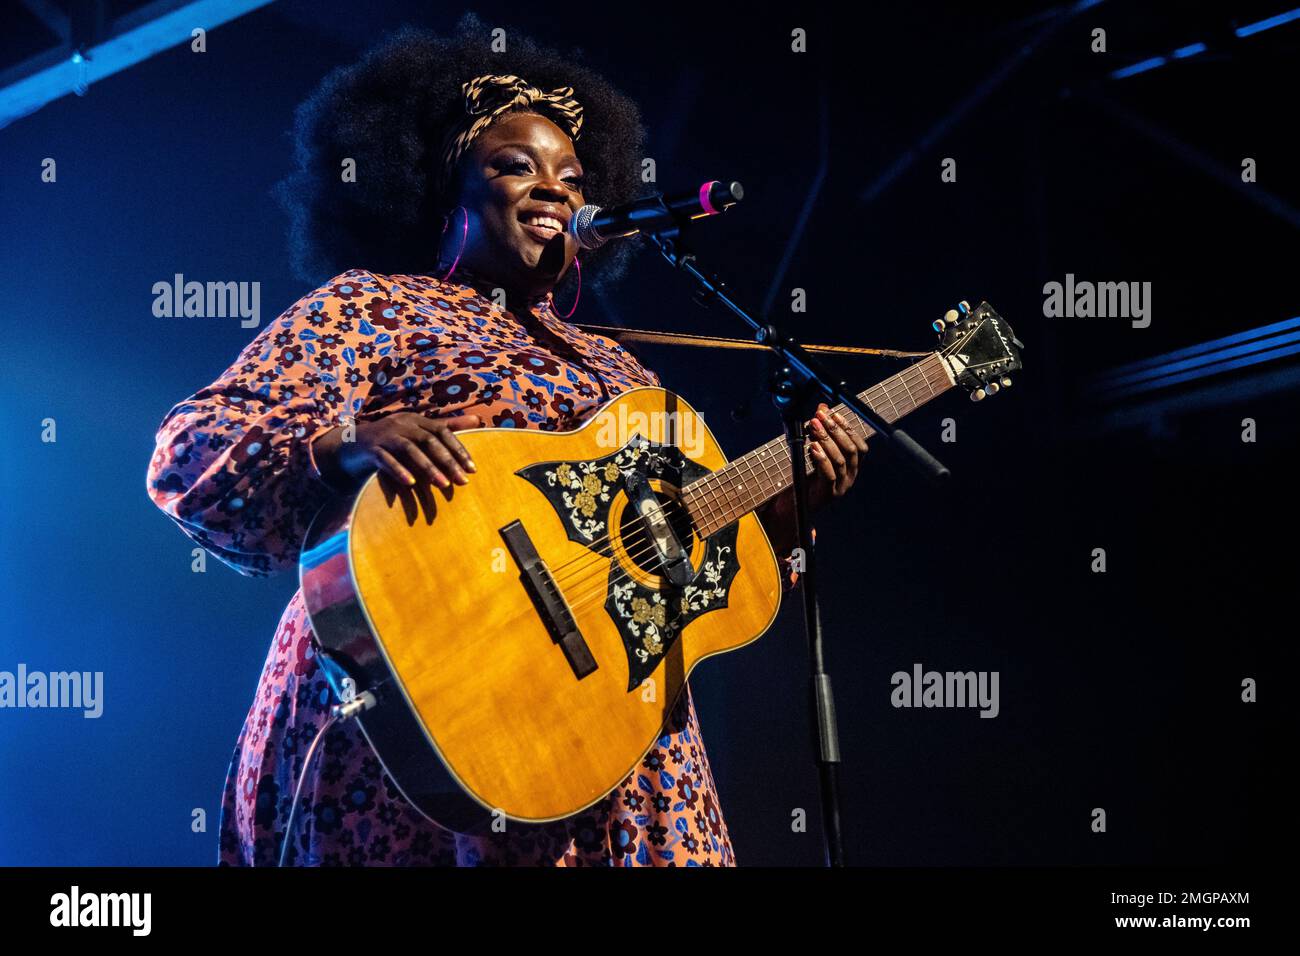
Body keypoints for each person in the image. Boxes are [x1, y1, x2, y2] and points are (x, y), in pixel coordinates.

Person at [145, 16, 867, 867]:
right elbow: (195, 450)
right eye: (516, 165)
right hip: (423, 712)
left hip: (612, 745)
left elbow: (686, 582)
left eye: (570, 174)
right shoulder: (377, 308)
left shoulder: (622, 374)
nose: (553, 188)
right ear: (448, 192)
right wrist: (347, 441)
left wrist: (785, 514)